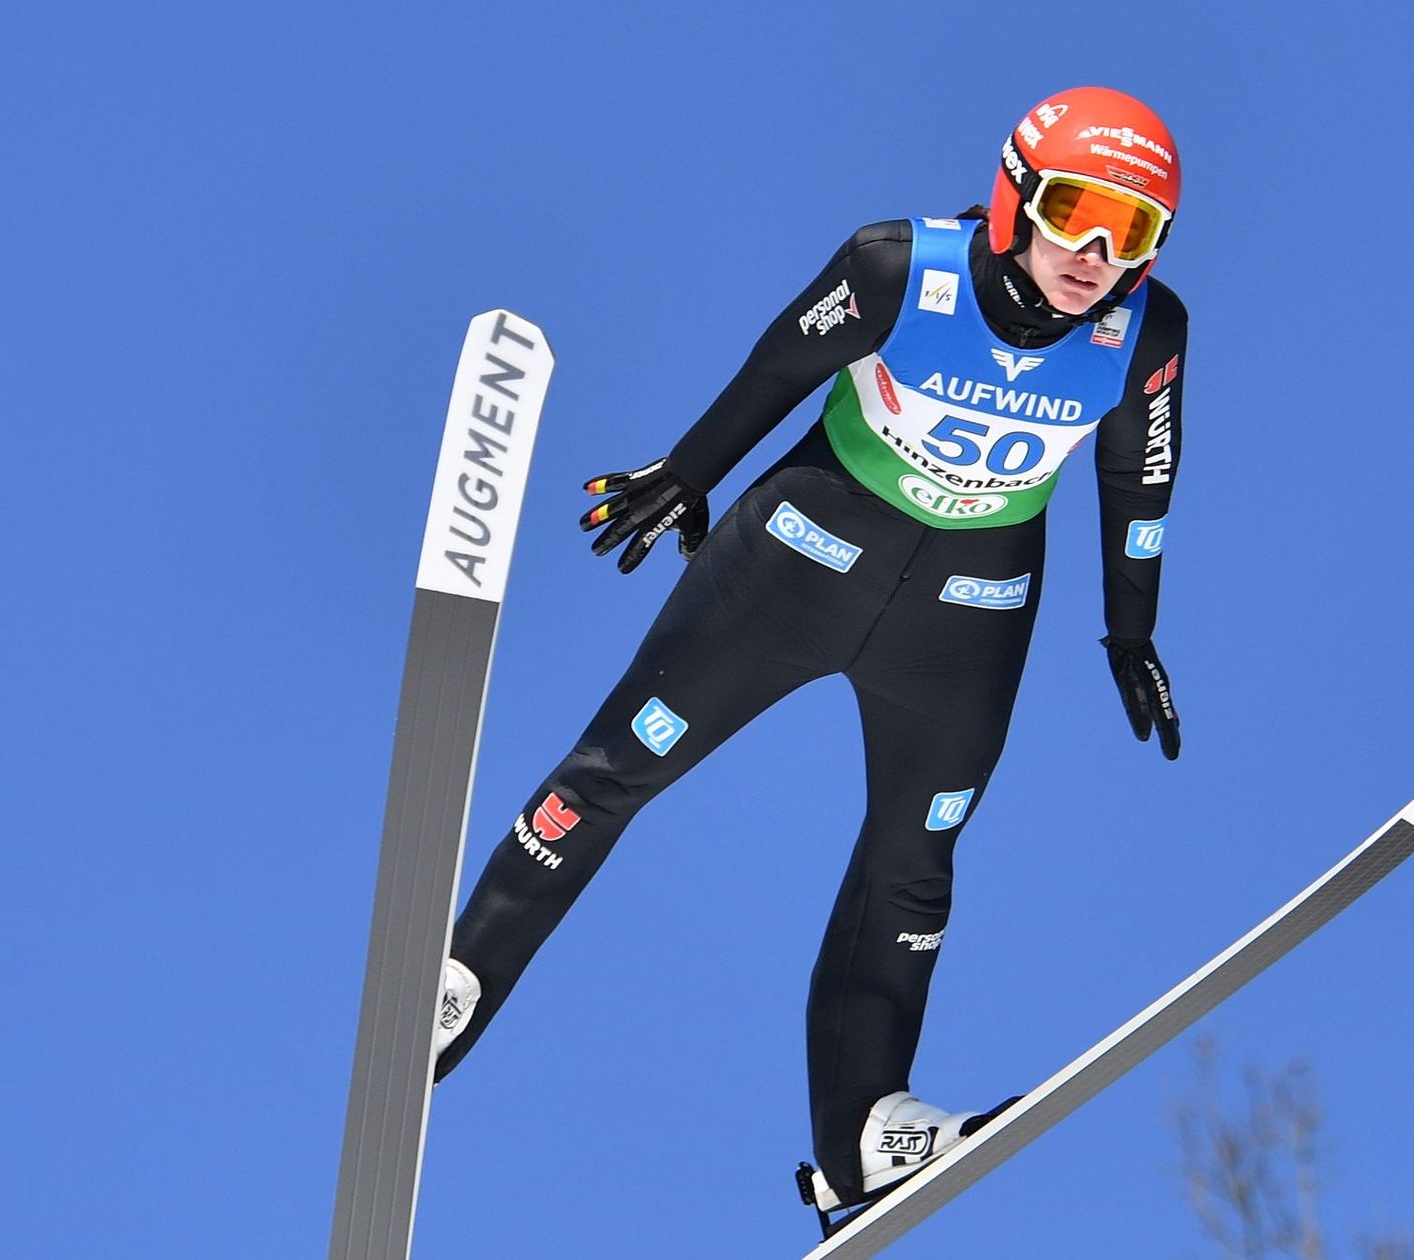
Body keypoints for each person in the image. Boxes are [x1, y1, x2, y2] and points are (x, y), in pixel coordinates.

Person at [429, 85, 1189, 1216]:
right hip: (799, 556)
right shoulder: (901, 269)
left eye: (1130, 231)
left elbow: (1140, 478)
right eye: (1075, 211)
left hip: (968, 611)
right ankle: (454, 987)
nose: (1093, 253)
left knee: (916, 856)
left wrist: (1131, 629)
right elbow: (778, 366)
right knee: (615, 769)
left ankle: (865, 1137)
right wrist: (686, 473)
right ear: (1014, 198)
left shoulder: (1144, 332)